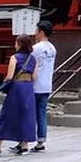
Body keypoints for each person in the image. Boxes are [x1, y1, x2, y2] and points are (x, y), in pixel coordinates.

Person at [0, 34, 38, 156]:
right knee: (26, 115)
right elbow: (35, 77)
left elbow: (9, 76)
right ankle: (24, 144)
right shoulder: (33, 59)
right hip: (28, 88)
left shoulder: (14, 57)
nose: (14, 45)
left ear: (20, 44)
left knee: (7, 115)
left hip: (16, 88)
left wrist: (4, 84)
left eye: (16, 43)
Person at [30, 20, 57, 152]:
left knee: (29, 113)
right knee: (41, 113)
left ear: (41, 32)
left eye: (36, 31)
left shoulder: (36, 48)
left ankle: (23, 140)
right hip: (47, 84)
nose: (35, 33)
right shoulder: (52, 48)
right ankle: (41, 141)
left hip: (35, 84)